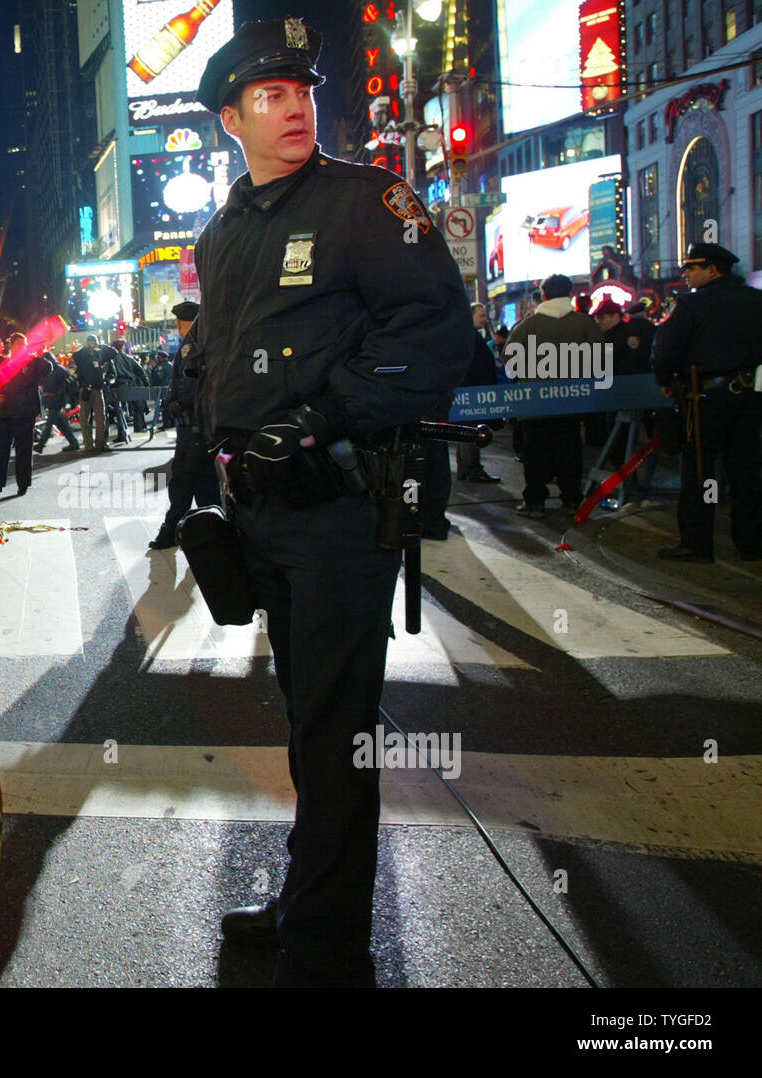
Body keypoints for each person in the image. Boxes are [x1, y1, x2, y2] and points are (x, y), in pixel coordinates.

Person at [194, 17, 471, 987]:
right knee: (306, 719)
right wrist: (209, 468)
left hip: (338, 507)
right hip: (259, 511)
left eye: (301, 91)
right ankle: (308, 898)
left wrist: (319, 419)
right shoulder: (222, 228)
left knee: (336, 729)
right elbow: (216, 364)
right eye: (267, 96)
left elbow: (437, 335)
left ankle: (329, 948)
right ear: (229, 119)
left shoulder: (366, 202)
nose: (293, 108)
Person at [652, 242, 761, 563]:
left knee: (703, 471)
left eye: (692, 268)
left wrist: (665, 380)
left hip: (706, 400)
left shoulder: (692, 306)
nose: (685, 274)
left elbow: (666, 350)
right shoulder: (756, 301)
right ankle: (750, 543)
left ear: (712, 270)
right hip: (748, 395)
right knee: (745, 470)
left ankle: (699, 542)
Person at [506, 273, 602, 517]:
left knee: (535, 455)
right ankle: (571, 499)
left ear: (544, 295)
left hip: (534, 406)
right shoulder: (584, 324)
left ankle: (535, 502)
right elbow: (601, 360)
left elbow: (510, 363)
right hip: (572, 404)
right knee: (570, 453)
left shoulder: (527, 326)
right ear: (569, 294)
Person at [147, 301, 220, 550]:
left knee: (182, 480)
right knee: (205, 483)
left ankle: (171, 531)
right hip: (201, 428)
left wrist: (174, 404)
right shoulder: (204, 342)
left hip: (193, 428)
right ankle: (215, 533)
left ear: (183, 322)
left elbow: (187, 386)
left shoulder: (191, 346)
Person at [0, 331, 50, 496]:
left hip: (25, 412)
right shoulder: (0, 362)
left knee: (23, 450)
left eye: (25, 344)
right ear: (11, 345)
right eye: (19, 344)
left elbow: (48, 369)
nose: (23, 347)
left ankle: (23, 484)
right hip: (4, 412)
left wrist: (39, 353)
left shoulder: (33, 363)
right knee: (0, 449)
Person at [454, 325, 501, 484]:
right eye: (481, 315)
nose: (485, 319)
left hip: (468, 389)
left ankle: (465, 468)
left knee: (465, 428)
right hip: (471, 390)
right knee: (471, 428)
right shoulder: (467, 334)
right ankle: (472, 469)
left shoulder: (464, 333)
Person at [35, 351, 80, 453]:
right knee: (61, 423)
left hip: (57, 399)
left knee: (49, 424)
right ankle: (74, 443)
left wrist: (64, 394)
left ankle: (41, 445)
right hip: (54, 399)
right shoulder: (58, 370)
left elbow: (70, 384)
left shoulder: (58, 370)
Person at [72, 333, 109, 452]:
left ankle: (100, 443)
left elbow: (113, 352)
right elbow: (76, 356)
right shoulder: (82, 355)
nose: (93, 344)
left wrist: (101, 346)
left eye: (94, 342)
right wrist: (87, 349)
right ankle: (88, 445)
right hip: (85, 388)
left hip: (97, 388)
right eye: (91, 342)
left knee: (101, 417)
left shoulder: (100, 354)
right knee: (84, 418)